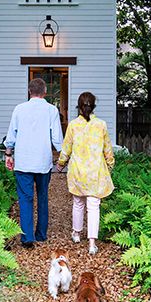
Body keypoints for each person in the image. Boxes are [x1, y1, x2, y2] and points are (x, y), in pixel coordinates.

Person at [4, 77, 63, 248]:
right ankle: (41, 234)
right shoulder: (51, 110)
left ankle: (27, 237)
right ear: (45, 92)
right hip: (43, 162)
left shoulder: (19, 109)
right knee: (43, 197)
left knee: (25, 199)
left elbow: (11, 135)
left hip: (23, 161)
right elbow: (57, 139)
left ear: (30, 92)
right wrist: (63, 157)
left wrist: (8, 154)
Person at [57, 91, 114, 255]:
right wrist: (110, 165)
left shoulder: (73, 125)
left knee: (78, 203)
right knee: (94, 206)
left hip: (78, 171)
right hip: (95, 171)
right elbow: (108, 149)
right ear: (94, 106)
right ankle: (91, 243)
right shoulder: (101, 125)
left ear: (79, 107)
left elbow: (66, 148)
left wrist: (61, 164)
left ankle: (76, 234)